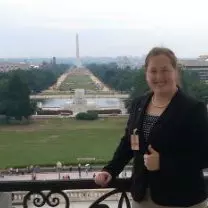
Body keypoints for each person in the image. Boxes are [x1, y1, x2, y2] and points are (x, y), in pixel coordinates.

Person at [95, 47, 208, 208]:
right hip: (143, 196)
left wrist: (163, 163)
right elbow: (129, 142)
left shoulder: (193, 108)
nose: (159, 76)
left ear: (175, 72)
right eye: (153, 71)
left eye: (165, 70)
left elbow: (204, 156)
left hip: (182, 198)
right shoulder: (139, 104)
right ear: (146, 74)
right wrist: (110, 170)